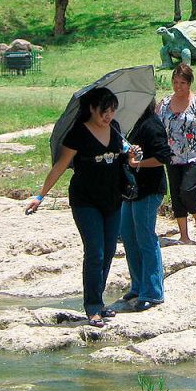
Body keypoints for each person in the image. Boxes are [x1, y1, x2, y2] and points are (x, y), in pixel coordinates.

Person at [25, 87, 126, 328]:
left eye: (112, 110)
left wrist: (132, 156)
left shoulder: (116, 129)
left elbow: (123, 159)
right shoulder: (78, 134)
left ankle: (100, 301)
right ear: (92, 108)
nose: (108, 115)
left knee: (110, 250)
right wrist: (41, 196)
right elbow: (60, 166)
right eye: (104, 110)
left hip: (113, 199)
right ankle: (92, 307)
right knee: (95, 252)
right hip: (85, 200)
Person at [156, 63, 196, 244]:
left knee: (187, 190)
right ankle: (184, 235)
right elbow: (157, 127)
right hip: (172, 156)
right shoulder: (165, 104)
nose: (178, 86)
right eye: (175, 82)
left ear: (189, 83)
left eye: (182, 83)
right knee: (176, 194)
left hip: (195, 155)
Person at [119, 99, 172, 312]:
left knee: (145, 237)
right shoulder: (132, 125)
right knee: (128, 235)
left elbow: (163, 157)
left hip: (150, 189)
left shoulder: (152, 124)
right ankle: (138, 284)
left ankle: (153, 291)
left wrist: (138, 163)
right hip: (132, 190)